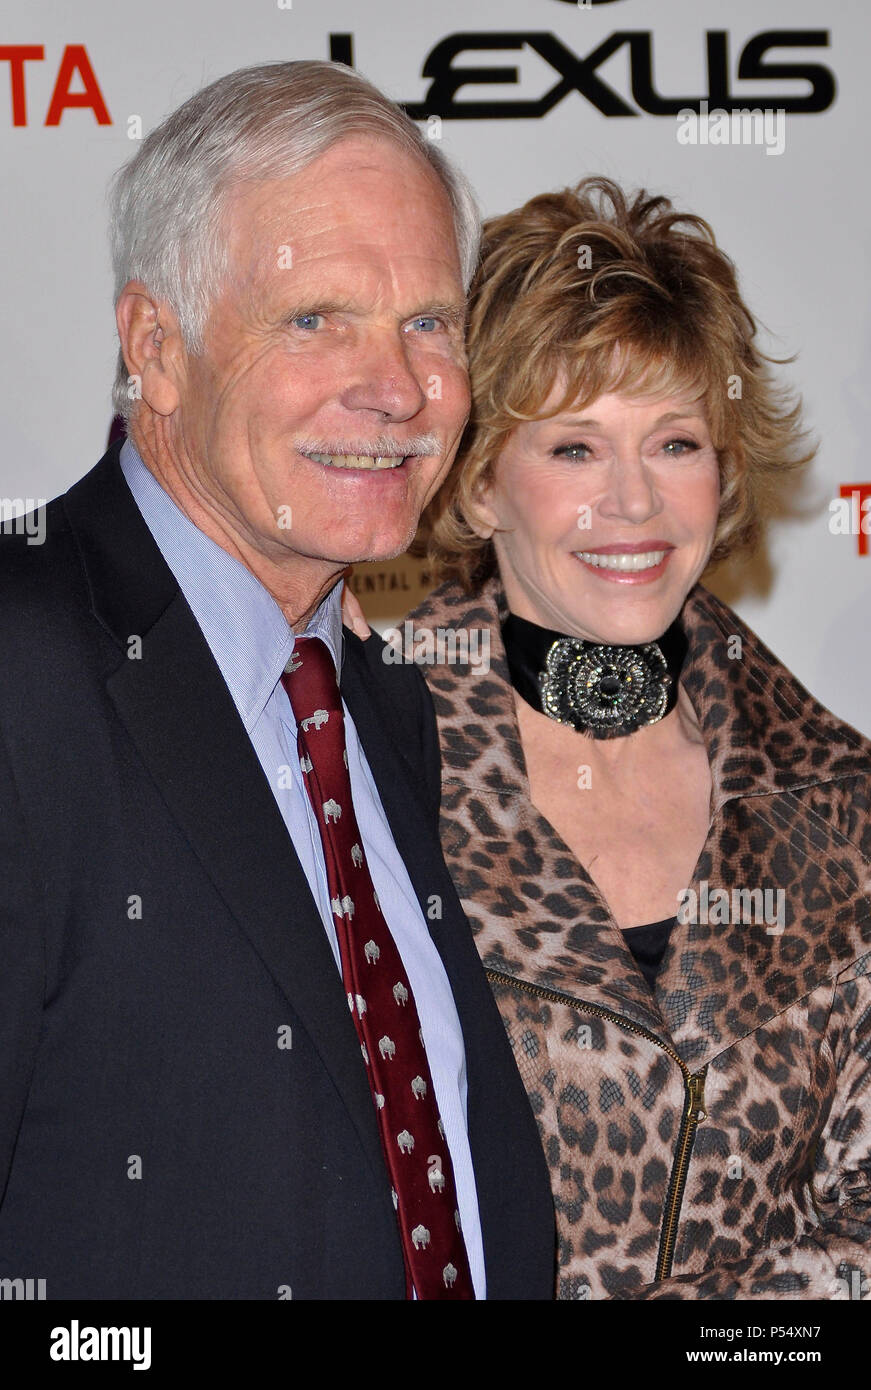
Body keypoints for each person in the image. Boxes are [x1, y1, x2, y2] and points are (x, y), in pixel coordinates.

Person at [0, 61, 555, 1301]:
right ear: (158, 346)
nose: (400, 389)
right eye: (316, 319)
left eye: (429, 322)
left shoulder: (373, 702)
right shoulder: (21, 670)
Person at [348, 176, 871, 1300]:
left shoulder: (840, 799)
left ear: (725, 474)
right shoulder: (356, 771)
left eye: (676, 442)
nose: (632, 503)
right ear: (481, 483)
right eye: (575, 449)